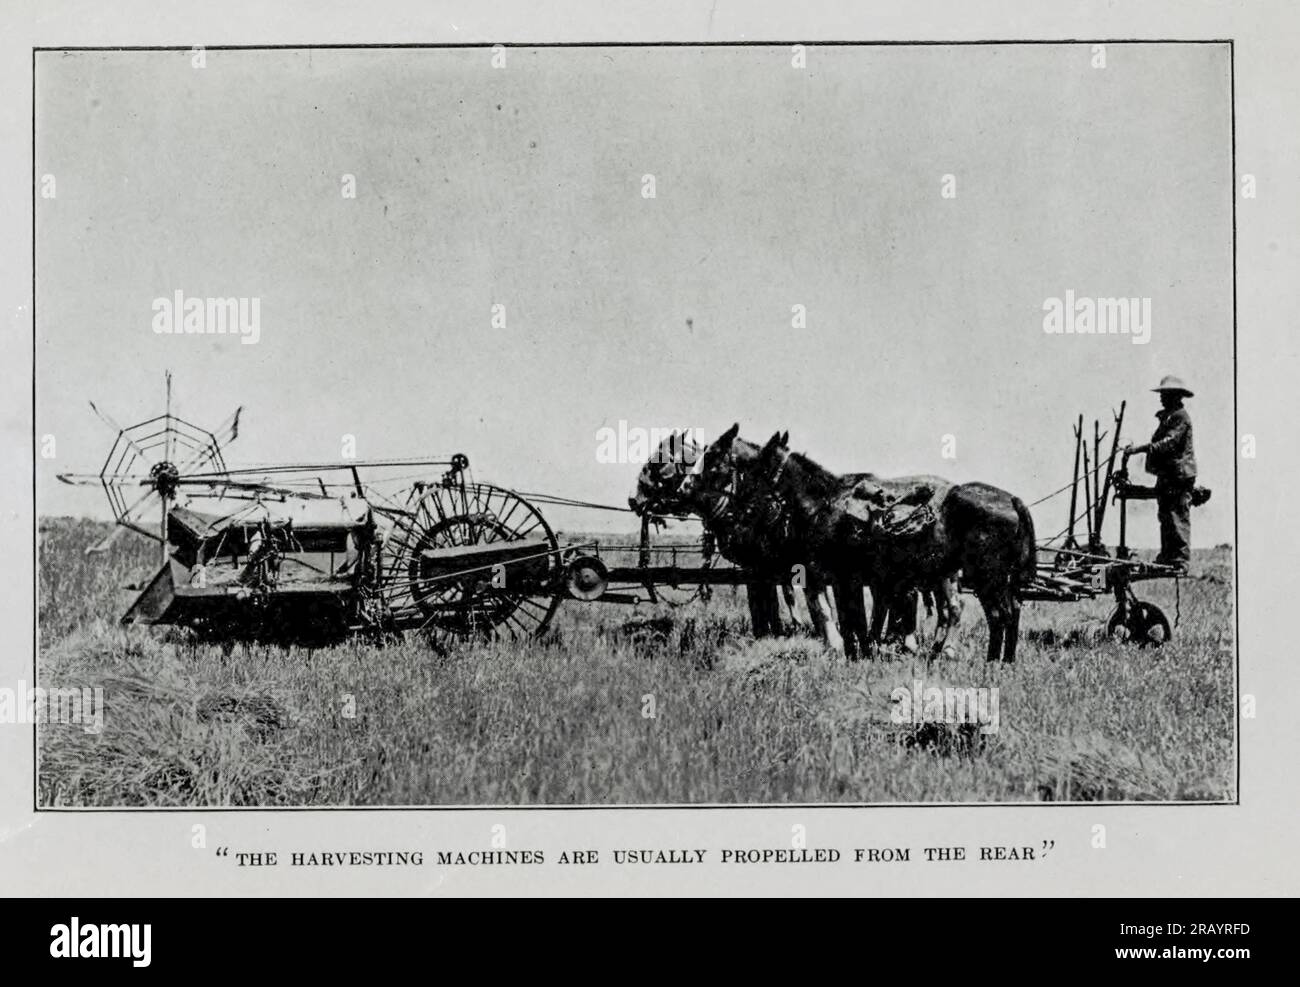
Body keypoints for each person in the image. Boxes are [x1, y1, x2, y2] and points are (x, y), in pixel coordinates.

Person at [1123, 375, 1198, 573]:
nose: (1161, 398)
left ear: (1175, 396)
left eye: (1164, 394)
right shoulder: (1168, 417)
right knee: (1165, 515)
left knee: (1177, 516)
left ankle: (1180, 561)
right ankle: (1167, 556)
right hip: (1168, 475)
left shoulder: (1180, 417)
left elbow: (1169, 443)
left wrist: (1139, 449)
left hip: (1179, 476)